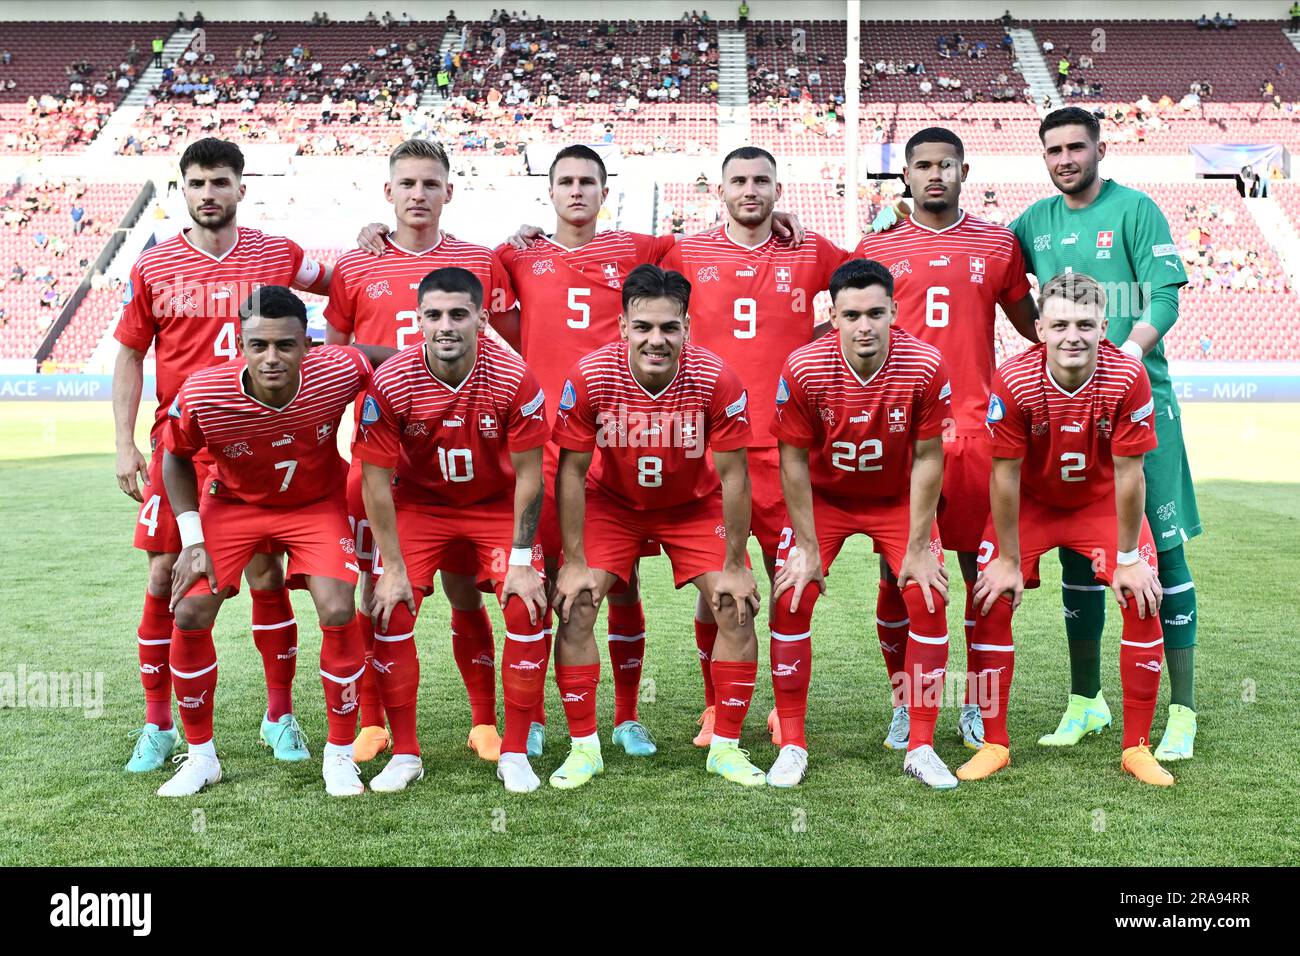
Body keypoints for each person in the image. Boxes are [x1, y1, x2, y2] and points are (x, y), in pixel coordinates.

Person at [112, 139, 332, 775]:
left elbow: (339, 278)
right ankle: (158, 725)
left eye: (220, 182)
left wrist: (375, 237)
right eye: (196, 183)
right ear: (183, 190)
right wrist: (124, 442)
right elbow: (130, 351)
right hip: (178, 446)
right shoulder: (154, 267)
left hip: (255, 443)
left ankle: (279, 714)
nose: (208, 193)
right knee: (165, 579)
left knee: (266, 577)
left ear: (241, 187)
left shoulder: (274, 253)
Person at [1010, 107, 1199, 761]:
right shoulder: (1034, 222)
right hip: (1068, 414)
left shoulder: (1136, 208)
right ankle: (1086, 702)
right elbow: (995, 273)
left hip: (1140, 404)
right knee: (1077, 557)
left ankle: (1181, 711)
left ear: (1099, 148)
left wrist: (1126, 357)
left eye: (1076, 147)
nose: (1065, 158)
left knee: (1160, 556)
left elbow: (1166, 296)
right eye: (1054, 149)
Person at [159, 287, 389, 797]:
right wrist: (192, 538)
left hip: (316, 504)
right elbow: (175, 456)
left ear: (307, 345)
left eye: (285, 345)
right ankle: (200, 757)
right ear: (240, 344)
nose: (271, 358)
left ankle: (338, 755)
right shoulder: (204, 392)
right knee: (191, 611)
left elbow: (379, 356)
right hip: (234, 506)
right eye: (258, 345)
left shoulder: (335, 368)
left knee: (337, 607)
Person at [334, 139, 518, 765]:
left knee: (468, 589)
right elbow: (334, 359)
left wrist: (526, 233)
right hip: (383, 457)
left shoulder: (480, 260)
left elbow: (510, 345)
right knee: (376, 586)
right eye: (406, 183)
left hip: (466, 452)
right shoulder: (356, 264)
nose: (418, 194)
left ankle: (484, 721)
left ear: (448, 191)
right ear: (388, 191)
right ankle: (372, 721)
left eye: (430, 183)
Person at [855, 128, 1038, 751]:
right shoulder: (877, 250)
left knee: (977, 574)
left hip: (977, 433)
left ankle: (977, 707)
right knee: (901, 576)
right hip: (903, 435)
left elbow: (1033, 331)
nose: (935, 174)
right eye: (923, 166)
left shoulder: (998, 243)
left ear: (965, 170)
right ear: (905, 175)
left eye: (947, 165)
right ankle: (909, 703)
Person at [661, 147, 848, 748]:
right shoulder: (686, 252)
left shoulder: (810, 249)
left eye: (760, 180)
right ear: (720, 191)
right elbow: (621, 271)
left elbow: (870, 278)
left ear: (777, 188)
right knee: (717, 586)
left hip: (785, 450)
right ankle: (716, 705)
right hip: (710, 451)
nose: (750, 190)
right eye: (738, 181)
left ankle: (786, 713)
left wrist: (823, 336)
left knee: (791, 585)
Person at [549, 264, 763, 789]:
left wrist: (735, 565)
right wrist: (573, 561)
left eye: (669, 327)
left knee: (735, 606)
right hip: (613, 501)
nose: (656, 339)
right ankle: (584, 748)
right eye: (643, 326)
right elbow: (571, 472)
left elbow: (735, 475)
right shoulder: (590, 375)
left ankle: (727, 749)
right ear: (622, 326)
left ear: (687, 327)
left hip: (692, 504)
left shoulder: (716, 377)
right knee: (576, 604)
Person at [495, 146, 677, 758]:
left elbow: (712, 250)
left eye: (588, 182)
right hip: (547, 441)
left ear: (605, 191)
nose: (577, 191)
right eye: (565, 182)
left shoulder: (637, 249)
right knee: (546, 580)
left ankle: (626, 716)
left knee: (619, 582)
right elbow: (481, 288)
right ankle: (538, 713)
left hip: (620, 438)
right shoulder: (519, 254)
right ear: (549, 193)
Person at [963, 271, 1171, 787]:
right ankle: (995, 742)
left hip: (1099, 502)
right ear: (1039, 328)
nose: (1071, 335)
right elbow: (1005, 475)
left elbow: (1129, 473)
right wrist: (1008, 560)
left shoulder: (1127, 377)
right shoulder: (1013, 380)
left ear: (1104, 327)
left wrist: (1127, 558)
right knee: (989, 597)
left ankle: (1137, 747)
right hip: (1031, 504)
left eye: (1084, 324)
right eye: (1059, 325)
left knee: (1144, 596)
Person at [355, 267, 550, 794]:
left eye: (459, 314)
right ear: (417, 320)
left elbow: (532, 477)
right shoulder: (391, 381)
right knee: (389, 604)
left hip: (494, 504)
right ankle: (405, 753)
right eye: (435, 315)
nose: (447, 325)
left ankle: (515, 750)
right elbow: (375, 481)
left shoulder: (514, 377)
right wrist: (391, 567)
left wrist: (520, 559)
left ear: (481, 319)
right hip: (421, 506)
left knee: (525, 604)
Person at [770, 259, 953, 788]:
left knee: (927, 593)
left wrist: (919, 544)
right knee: (791, 593)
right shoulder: (804, 367)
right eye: (852, 315)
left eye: (876, 312)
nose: (865, 325)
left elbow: (928, 457)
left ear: (895, 311)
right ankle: (792, 743)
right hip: (826, 499)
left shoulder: (923, 364)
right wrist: (806, 546)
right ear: (833, 316)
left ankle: (920, 743)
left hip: (896, 499)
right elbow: (793, 461)